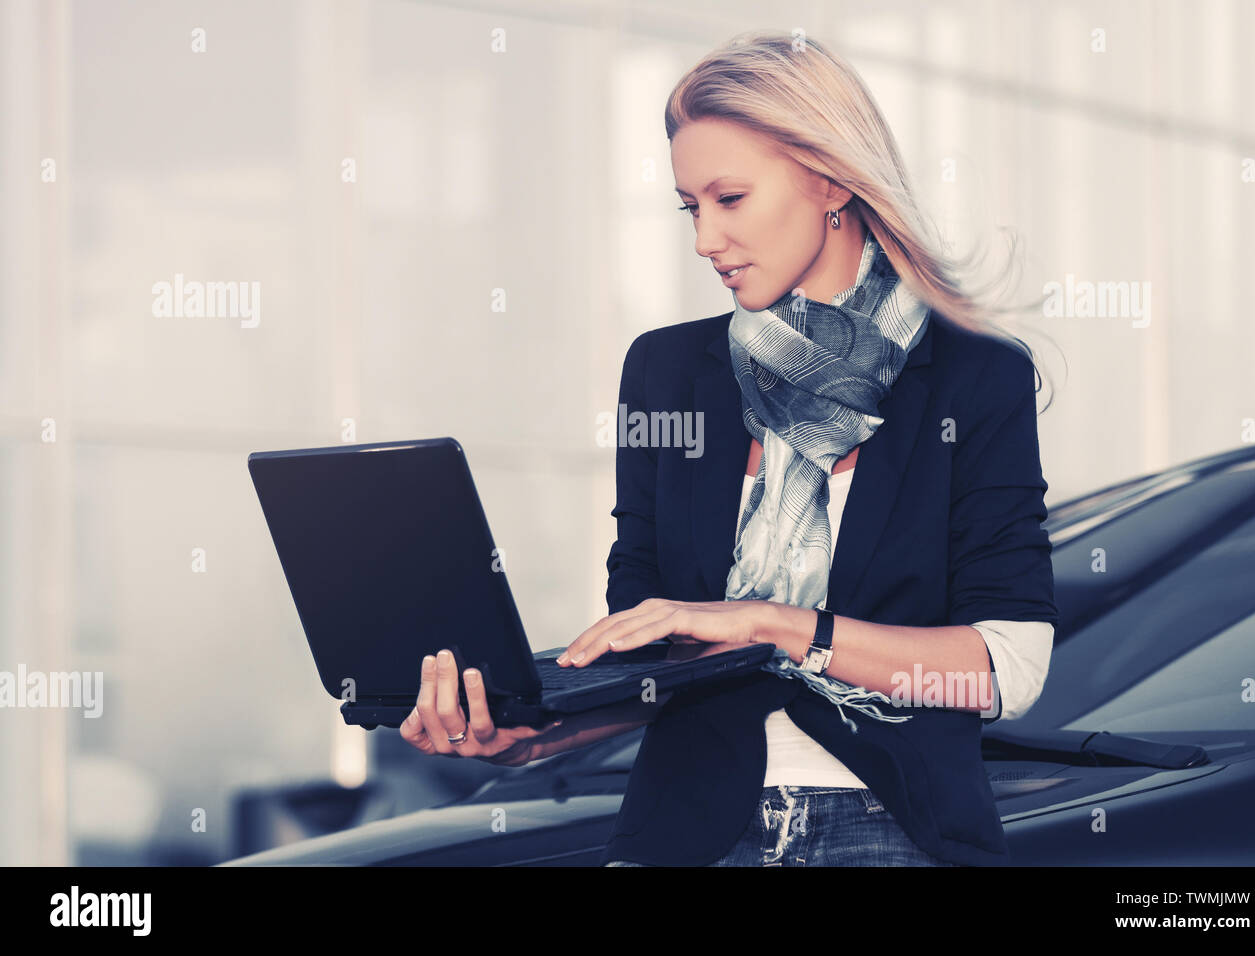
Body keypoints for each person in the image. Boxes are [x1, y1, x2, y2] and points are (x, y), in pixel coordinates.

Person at [400, 30, 1058, 867]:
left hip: (892, 836)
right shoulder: (669, 373)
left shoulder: (973, 378)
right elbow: (660, 662)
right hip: (686, 837)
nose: (706, 239)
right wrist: (536, 736)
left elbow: (1004, 670)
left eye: (730, 199)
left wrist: (767, 623)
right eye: (689, 207)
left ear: (829, 180)